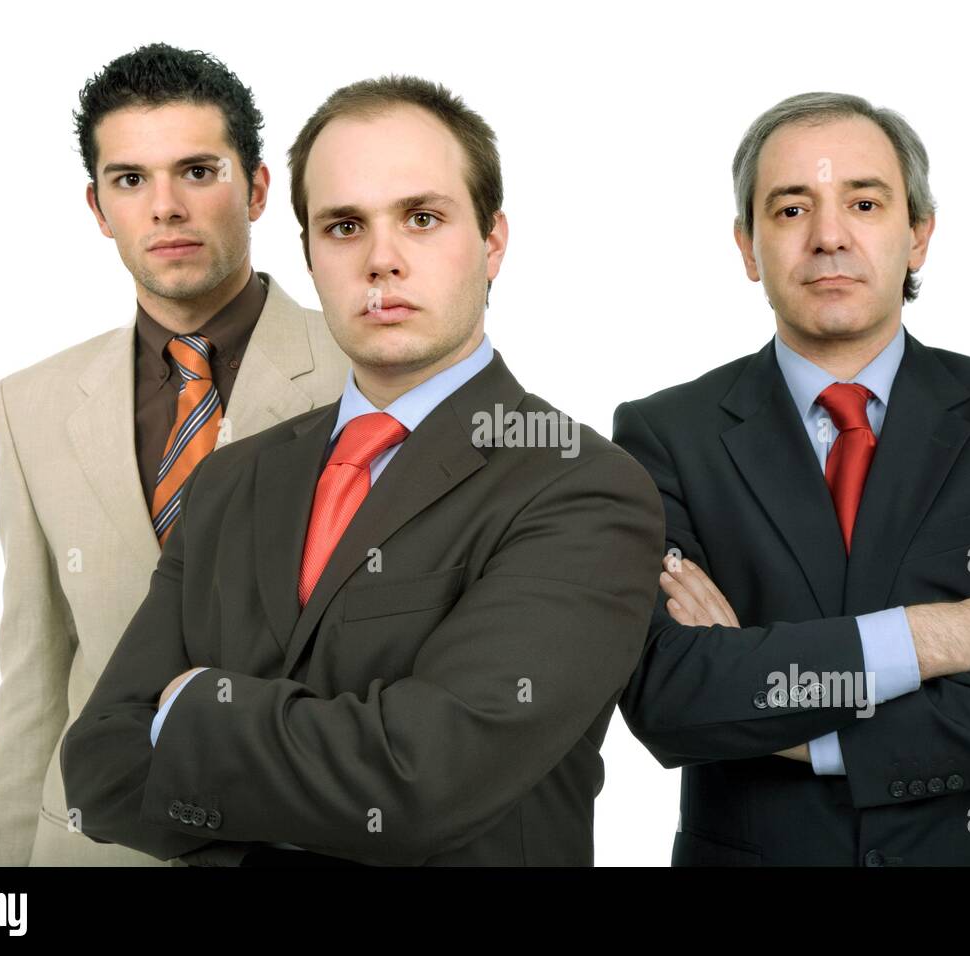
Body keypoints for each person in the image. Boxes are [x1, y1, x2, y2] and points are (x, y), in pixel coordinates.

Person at [60, 75, 665, 866]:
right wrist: (331, 757)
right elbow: (99, 769)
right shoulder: (230, 479)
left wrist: (194, 707)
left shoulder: (580, 486)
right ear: (308, 251)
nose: (382, 260)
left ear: (492, 241)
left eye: (421, 218)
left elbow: (422, 781)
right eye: (344, 226)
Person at [613, 91, 970, 866]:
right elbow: (671, 697)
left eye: (863, 202)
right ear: (747, 247)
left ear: (917, 235)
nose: (828, 237)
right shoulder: (665, 434)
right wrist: (930, 637)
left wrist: (786, 714)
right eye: (791, 210)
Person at [0, 43, 351, 866]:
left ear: (256, 190)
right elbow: (35, 679)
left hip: (300, 839)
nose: (165, 208)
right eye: (130, 180)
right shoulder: (30, 405)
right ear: (97, 205)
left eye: (197, 171)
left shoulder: (367, 375)